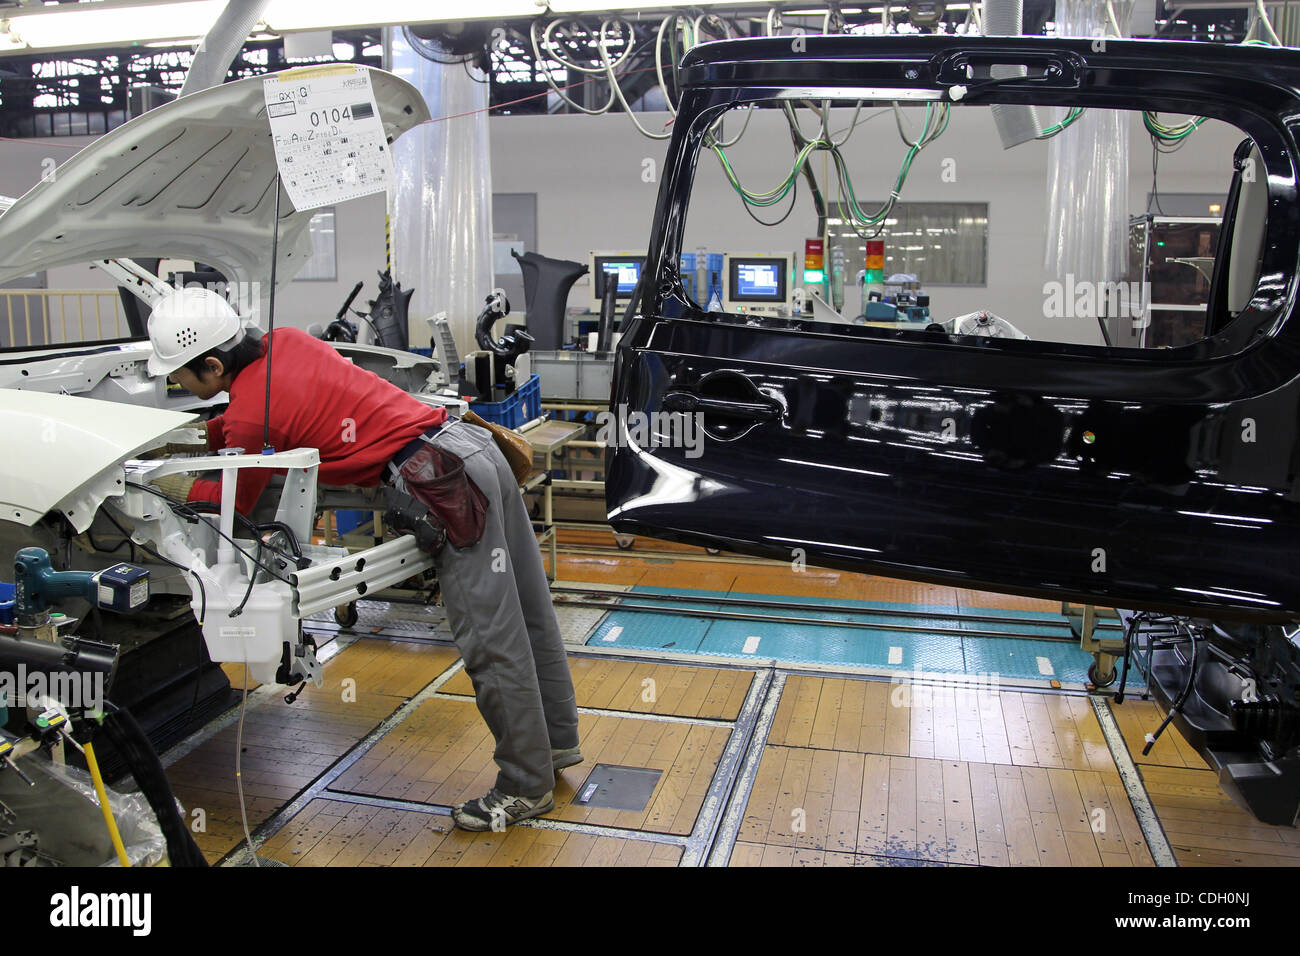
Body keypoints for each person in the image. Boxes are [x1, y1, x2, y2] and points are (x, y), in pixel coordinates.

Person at [145, 287, 581, 830]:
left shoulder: (251, 415)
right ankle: (556, 746)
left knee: (490, 641)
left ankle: (524, 786)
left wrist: (168, 485)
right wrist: (187, 438)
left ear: (212, 364)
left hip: (442, 483)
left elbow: (232, 501)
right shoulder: (286, 342)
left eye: (178, 377)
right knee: (529, 613)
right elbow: (248, 423)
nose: (176, 386)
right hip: (473, 450)